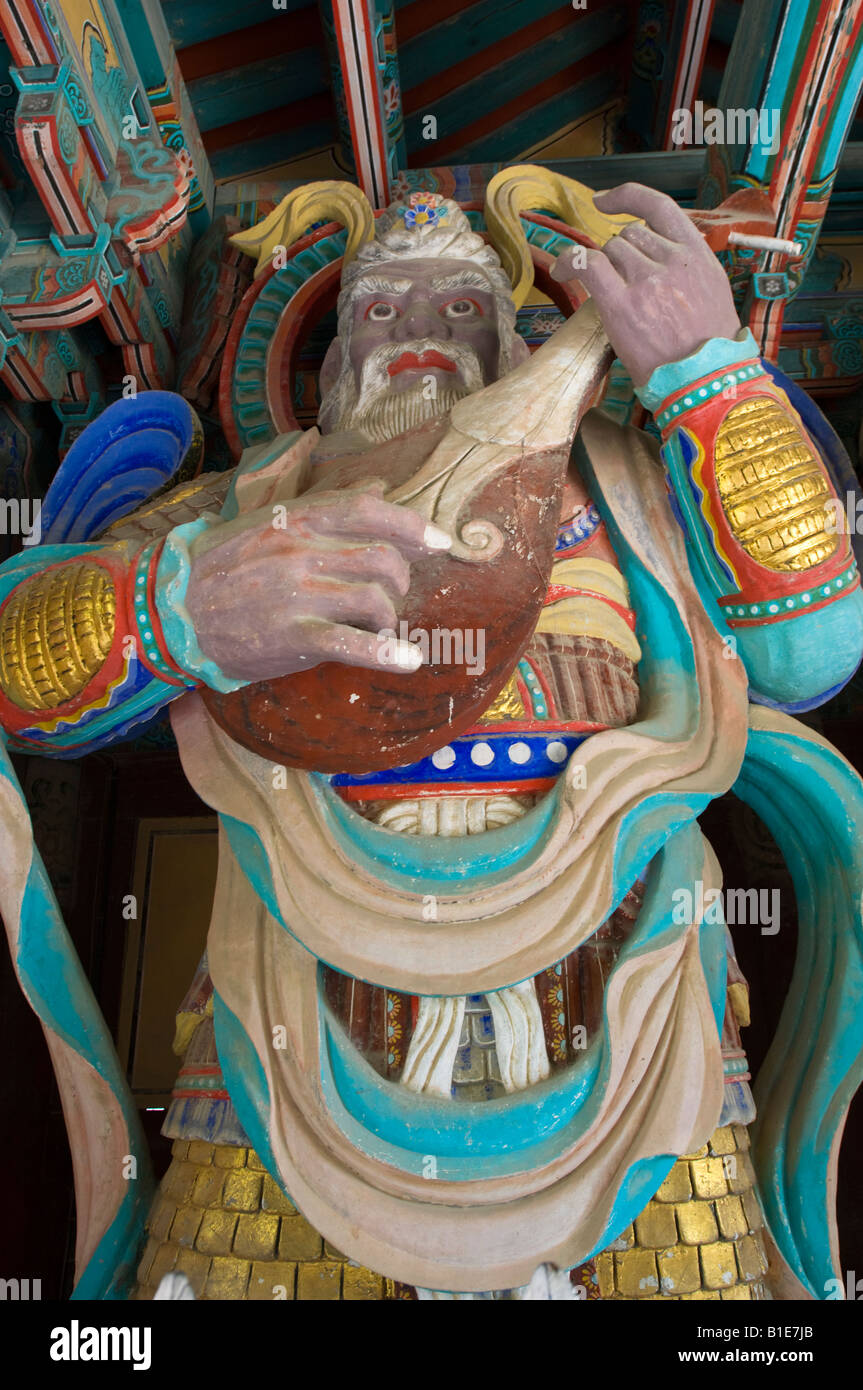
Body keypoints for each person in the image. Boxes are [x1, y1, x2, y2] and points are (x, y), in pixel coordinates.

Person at [2, 175, 861, 1300]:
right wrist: (177, 611)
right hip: (292, 1003)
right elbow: (21, 671)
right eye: (378, 311)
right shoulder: (245, 502)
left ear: (513, 336)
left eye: (458, 310)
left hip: (627, 991)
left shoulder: (620, 476)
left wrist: (705, 370)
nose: (416, 334)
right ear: (324, 359)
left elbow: (811, 651)